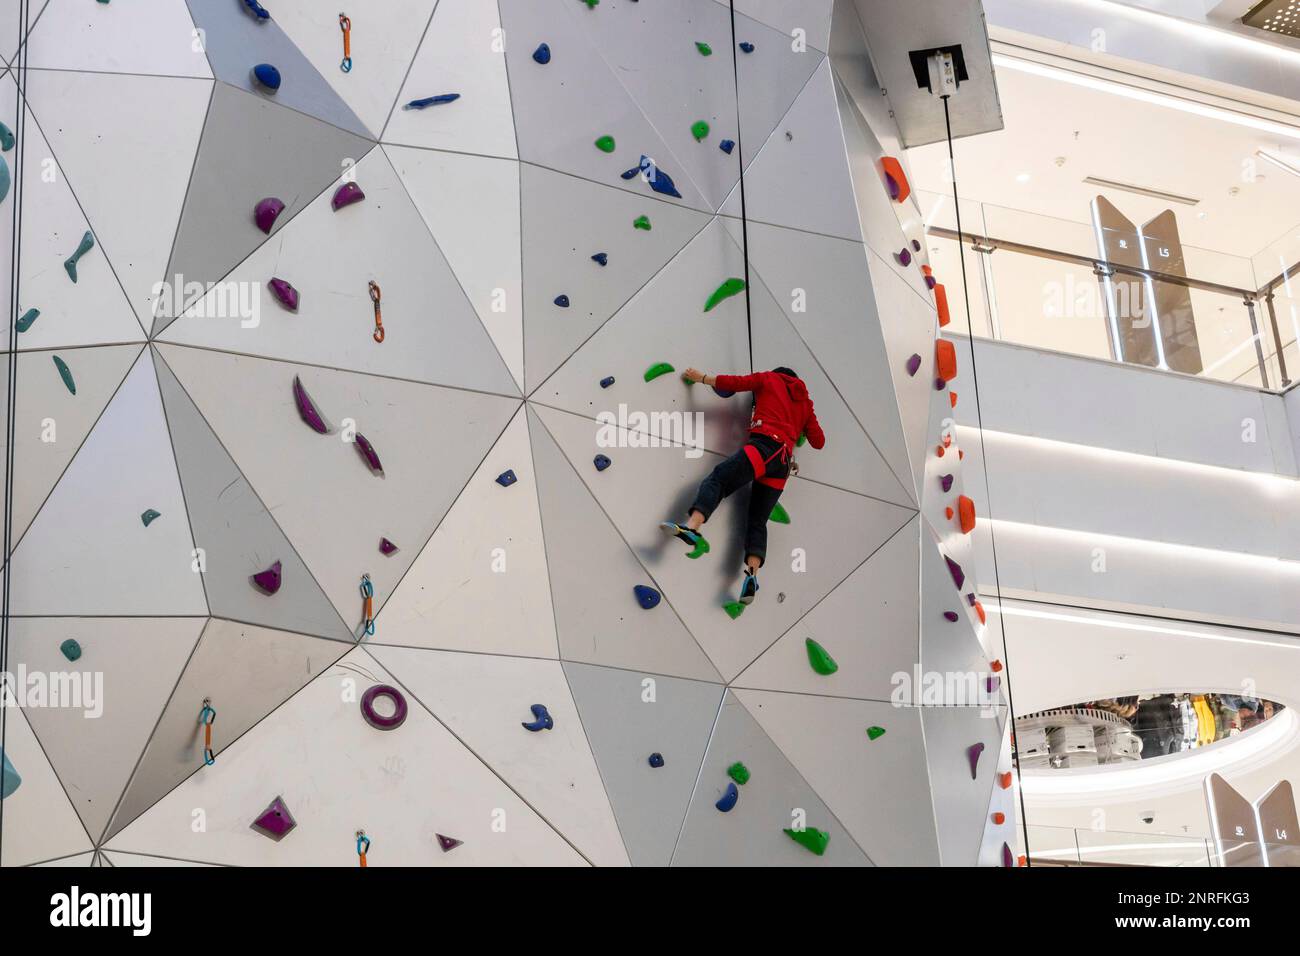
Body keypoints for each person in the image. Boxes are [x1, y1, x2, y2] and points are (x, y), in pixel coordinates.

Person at [660, 366, 825, 605]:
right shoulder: (805, 403)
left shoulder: (769, 379)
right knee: (757, 520)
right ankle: (752, 575)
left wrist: (702, 378)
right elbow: (819, 442)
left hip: (764, 448)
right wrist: (796, 423)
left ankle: (692, 528)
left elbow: (735, 382)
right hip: (783, 465)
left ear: (779, 374)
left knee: (720, 479)